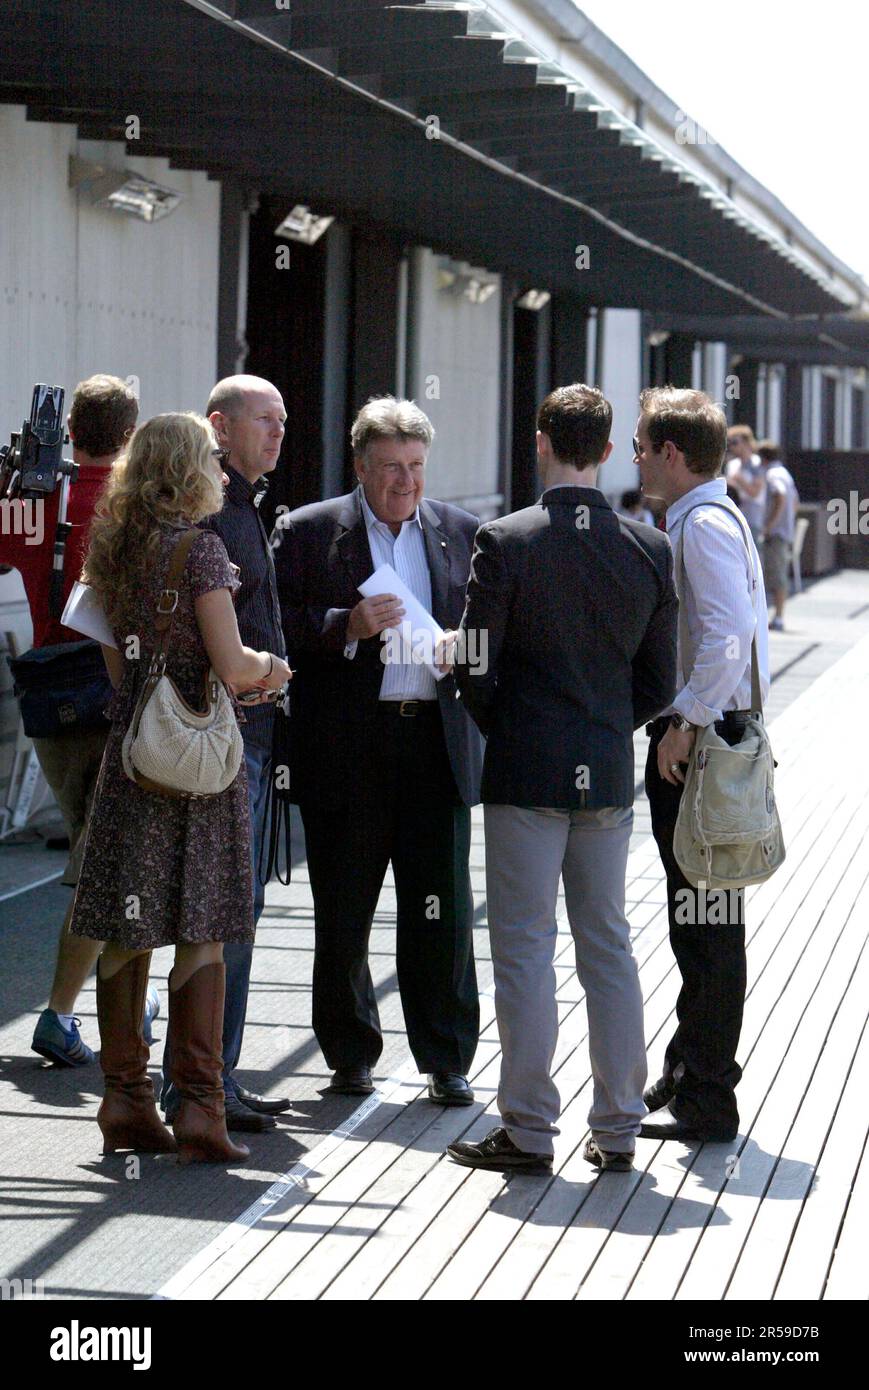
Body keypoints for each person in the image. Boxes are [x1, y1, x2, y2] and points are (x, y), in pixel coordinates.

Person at [446, 384, 677, 1176]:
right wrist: (610, 726)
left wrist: (506, 725)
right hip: (605, 774)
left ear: (539, 439)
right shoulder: (649, 549)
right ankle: (617, 1127)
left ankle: (528, 1128)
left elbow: (474, 663)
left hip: (525, 768)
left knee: (523, 950)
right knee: (607, 947)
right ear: (609, 450)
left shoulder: (504, 541)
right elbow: (660, 678)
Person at [71, 412, 291, 1163]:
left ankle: (125, 1096)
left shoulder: (113, 550)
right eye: (210, 459)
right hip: (197, 772)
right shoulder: (203, 551)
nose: (223, 472)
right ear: (187, 470)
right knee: (203, 922)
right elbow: (231, 665)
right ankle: (199, 1105)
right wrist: (273, 669)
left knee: (127, 923)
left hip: (133, 761)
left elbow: (116, 672)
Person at [271, 396, 482, 1104]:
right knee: (344, 906)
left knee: (440, 907)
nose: (406, 483)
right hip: (348, 748)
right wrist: (347, 623)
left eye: (416, 467)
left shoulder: (461, 533)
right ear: (360, 466)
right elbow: (276, 629)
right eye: (391, 467)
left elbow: (494, 634)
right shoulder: (305, 532)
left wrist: (465, 651)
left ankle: (446, 1058)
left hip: (433, 741)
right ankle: (349, 1052)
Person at [0, 374, 160, 1068]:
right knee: (108, 862)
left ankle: (114, 1004)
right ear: (131, 436)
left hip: (45, 694)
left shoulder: (33, 500)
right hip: (115, 694)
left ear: (68, 432)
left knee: (96, 852)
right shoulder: (134, 506)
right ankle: (70, 1012)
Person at [634, 387, 769, 1144]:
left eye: (643, 445)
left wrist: (682, 722)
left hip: (703, 745)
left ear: (671, 455)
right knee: (703, 920)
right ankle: (691, 1069)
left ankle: (707, 1097)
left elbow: (724, 636)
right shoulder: (709, 515)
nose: (634, 457)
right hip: (715, 738)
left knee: (707, 924)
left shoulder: (703, 526)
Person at [159, 375, 291, 1134]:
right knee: (221, 911)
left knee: (225, 910)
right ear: (218, 425)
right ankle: (203, 1083)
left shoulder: (239, 507)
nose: (277, 433)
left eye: (282, 421)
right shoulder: (210, 516)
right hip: (225, 738)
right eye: (263, 421)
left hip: (242, 736)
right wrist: (264, 673)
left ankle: (210, 1077)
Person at [757, 440, 800, 632]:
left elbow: (780, 496)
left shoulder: (773, 474)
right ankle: (778, 616)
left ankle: (779, 617)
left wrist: (770, 525)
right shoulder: (784, 473)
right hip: (783, 531)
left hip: (776, 534)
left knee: (776, 575)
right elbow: (795, 502)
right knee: (776, 574)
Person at [725, 424, 766, 549]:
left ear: (747, 442)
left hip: (752, 514)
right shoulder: (732, 464)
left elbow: (756, 492)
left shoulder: (756, 463)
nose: (732, 446)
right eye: (730, 442)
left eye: (735, 442)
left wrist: (739, 481)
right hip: (734, 512)